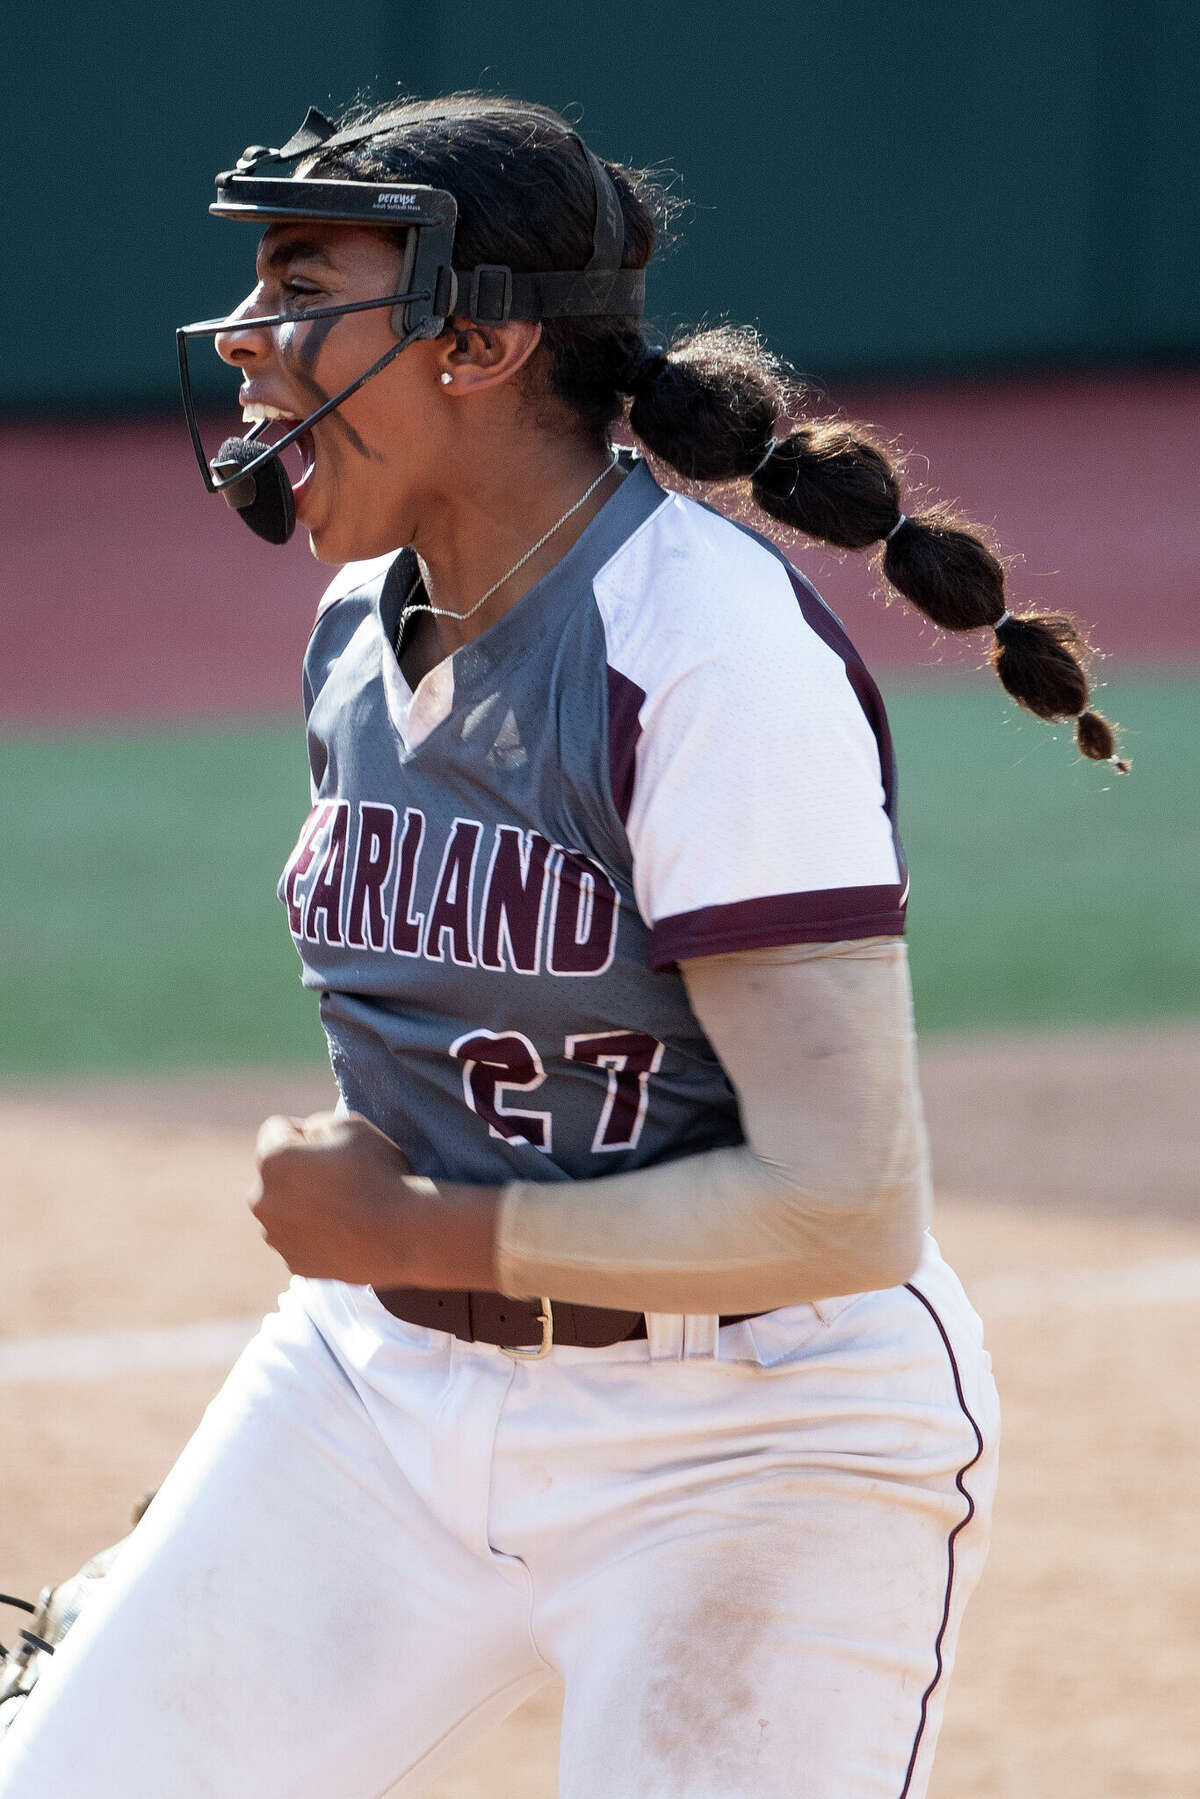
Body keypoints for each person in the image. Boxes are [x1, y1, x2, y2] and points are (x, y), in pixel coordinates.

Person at [0, 93, 1123, 1799]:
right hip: (382, 1386)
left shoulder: (703, 649)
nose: (244, 336)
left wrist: (422, 1231)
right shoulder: (359, 624)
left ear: (481, 341)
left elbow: (845, 1201)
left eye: (302, 289)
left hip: (753, 1434)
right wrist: (214, 1540)